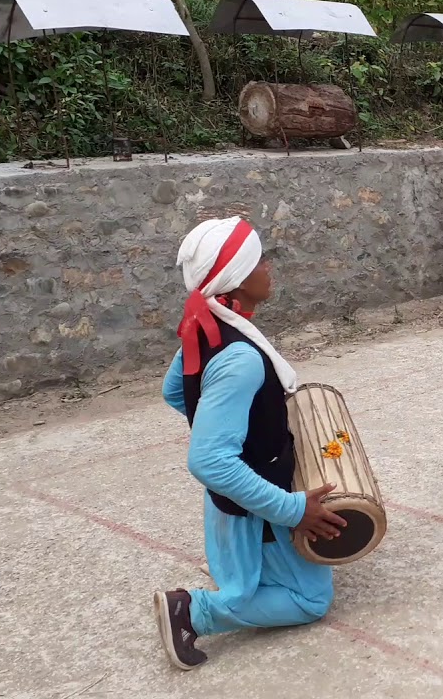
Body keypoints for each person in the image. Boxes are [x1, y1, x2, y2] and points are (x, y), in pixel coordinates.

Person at [155, 216, 347, 670]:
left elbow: (173, 391)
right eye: (258, 259)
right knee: (310, 600)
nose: (268, 267)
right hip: (255, 509)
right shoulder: (240, 354)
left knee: (257, 578)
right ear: (235, 278)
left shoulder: (206, 326)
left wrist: (229, 430)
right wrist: (293, 509)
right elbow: (209, 459)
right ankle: (194, 610)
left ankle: (235, 581)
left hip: (232, 501)